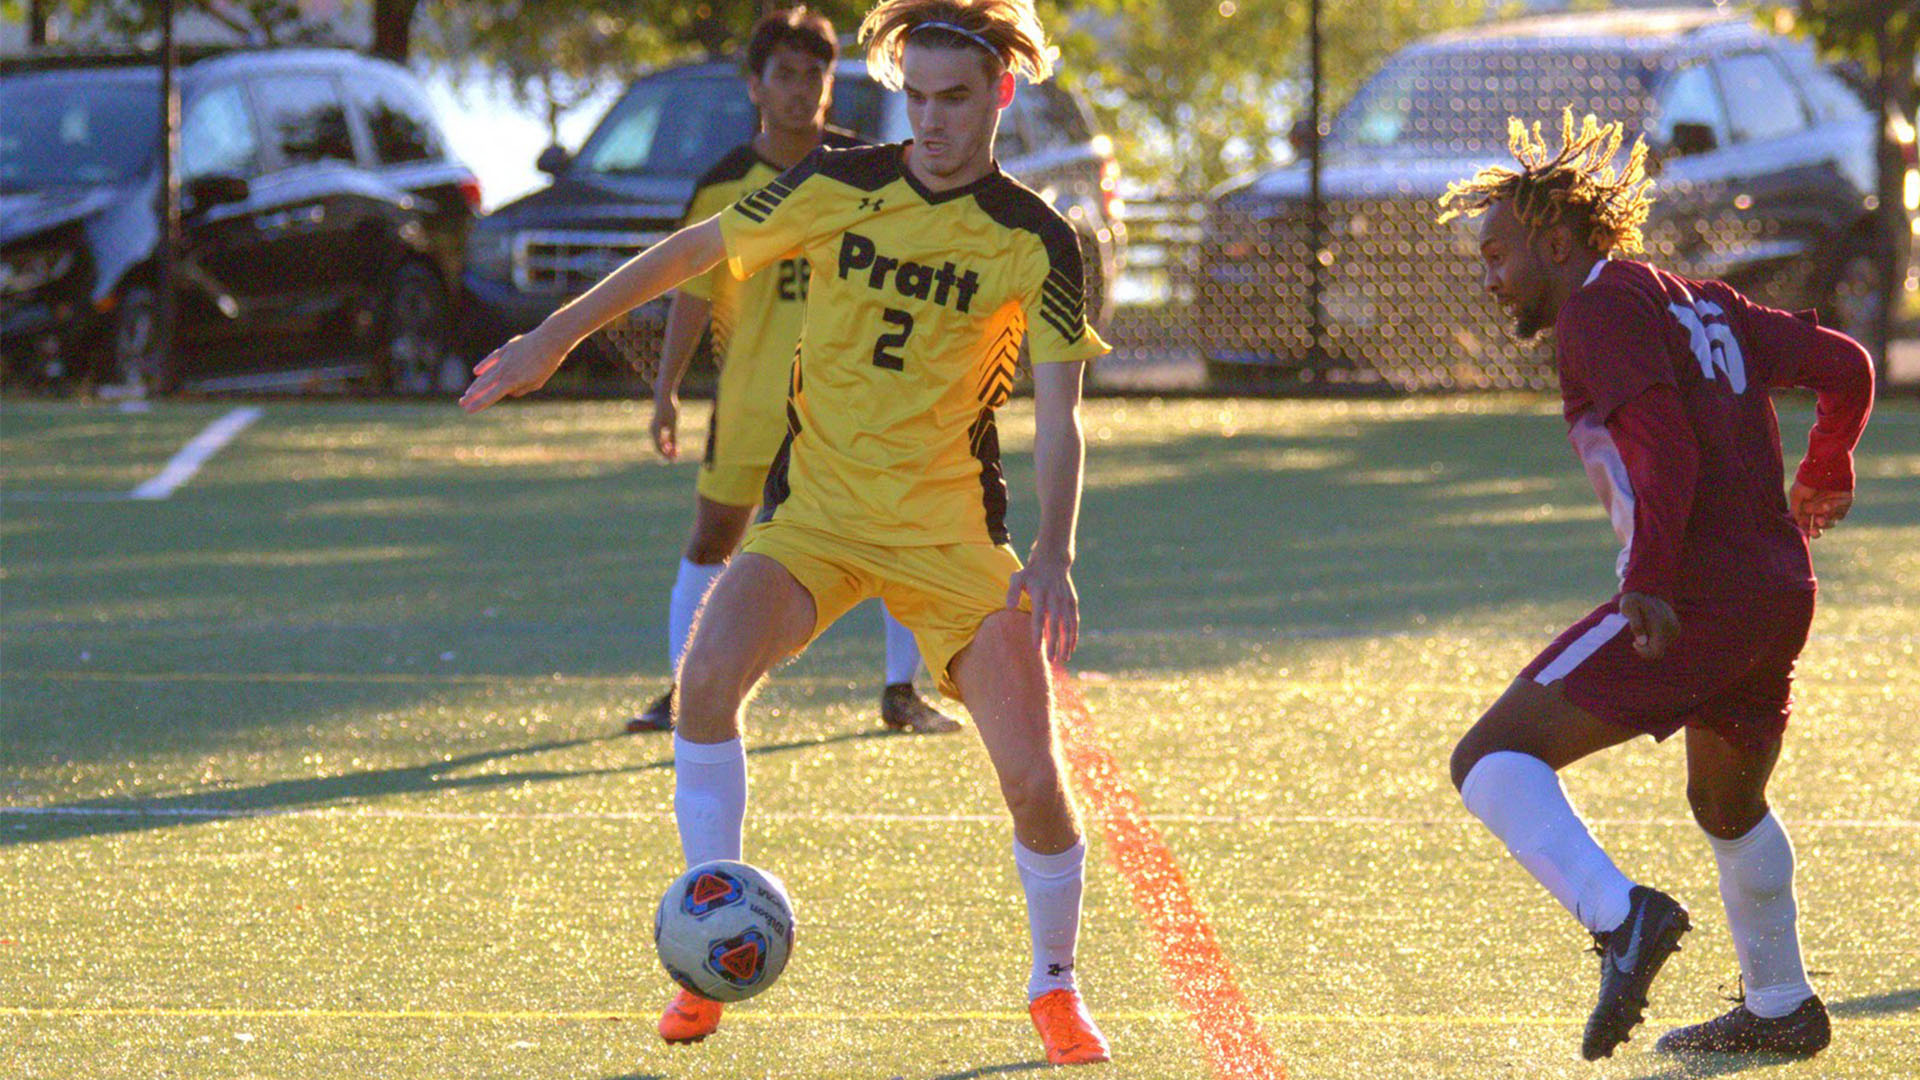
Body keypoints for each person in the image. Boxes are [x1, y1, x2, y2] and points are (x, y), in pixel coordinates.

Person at [461, 0, 1112, 1064]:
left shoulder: (1038, 240)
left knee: (1035, 781)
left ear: (999, 94)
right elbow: (690, 253)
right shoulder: (843, 185)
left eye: (957, 99)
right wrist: (552, 335)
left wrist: (1053, 551)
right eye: (917, 98)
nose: (935, 121)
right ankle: (709, 948)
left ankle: (1055, 985)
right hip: (816, 517)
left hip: (950, 539)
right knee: (706, 679)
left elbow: (1059, 416)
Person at [1438, 110, 1873, 1060]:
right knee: (1726, 805)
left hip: (1703, 594)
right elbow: (1846, 365)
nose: (1490, 277)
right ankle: (1781, 1007)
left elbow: (1665, 446)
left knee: (1491, 761)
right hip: (1775, 594)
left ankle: (1619, 918)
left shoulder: (1599, 308)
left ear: (1556, 241)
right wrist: (1827, 464)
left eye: (1497, 253)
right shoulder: (1702, 300)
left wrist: (1646, 580)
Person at [631, 6, 960, 738]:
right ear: (755, 85)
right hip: (751, 401)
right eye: (784, 74)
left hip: (851, 402)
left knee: (893, 535)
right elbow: (692, 293)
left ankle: (899, 691)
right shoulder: (723, 184)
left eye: (815, 74)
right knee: (715, 537)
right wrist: (667, 390)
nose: (800, 88)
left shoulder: (865, 173)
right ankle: (686, 689)